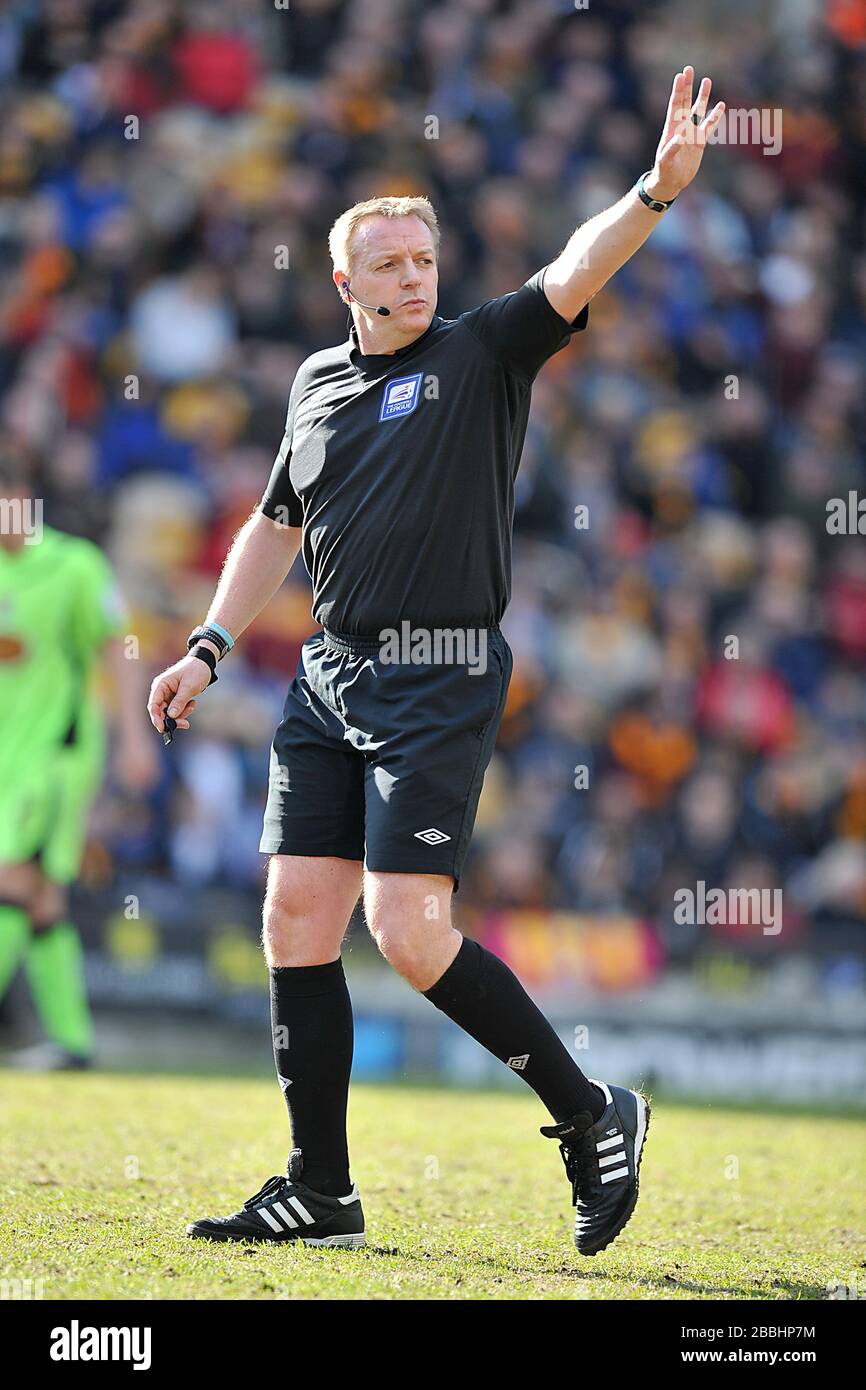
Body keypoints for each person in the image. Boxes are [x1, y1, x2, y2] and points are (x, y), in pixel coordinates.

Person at [148, 69, 724, 1255]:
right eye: (392, 264)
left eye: (426, 259)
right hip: (326, 674)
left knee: (408, 930)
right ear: (343, 281)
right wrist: (207, 642)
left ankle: (588, 1113)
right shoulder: (312, 383)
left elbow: (570, 272)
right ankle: (321, 1189)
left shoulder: (477, 352)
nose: (416, 276)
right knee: (294, 920)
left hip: (437, 669)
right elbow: (273, 523)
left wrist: (650, 194)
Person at [0, 457, 157, 1069]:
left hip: (56, 756)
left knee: (11, 877)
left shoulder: (74, 566)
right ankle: (73, 1044)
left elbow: (119, 649)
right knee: (41, 899)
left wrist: (135, 740)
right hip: (7, 757)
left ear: (20, 497)